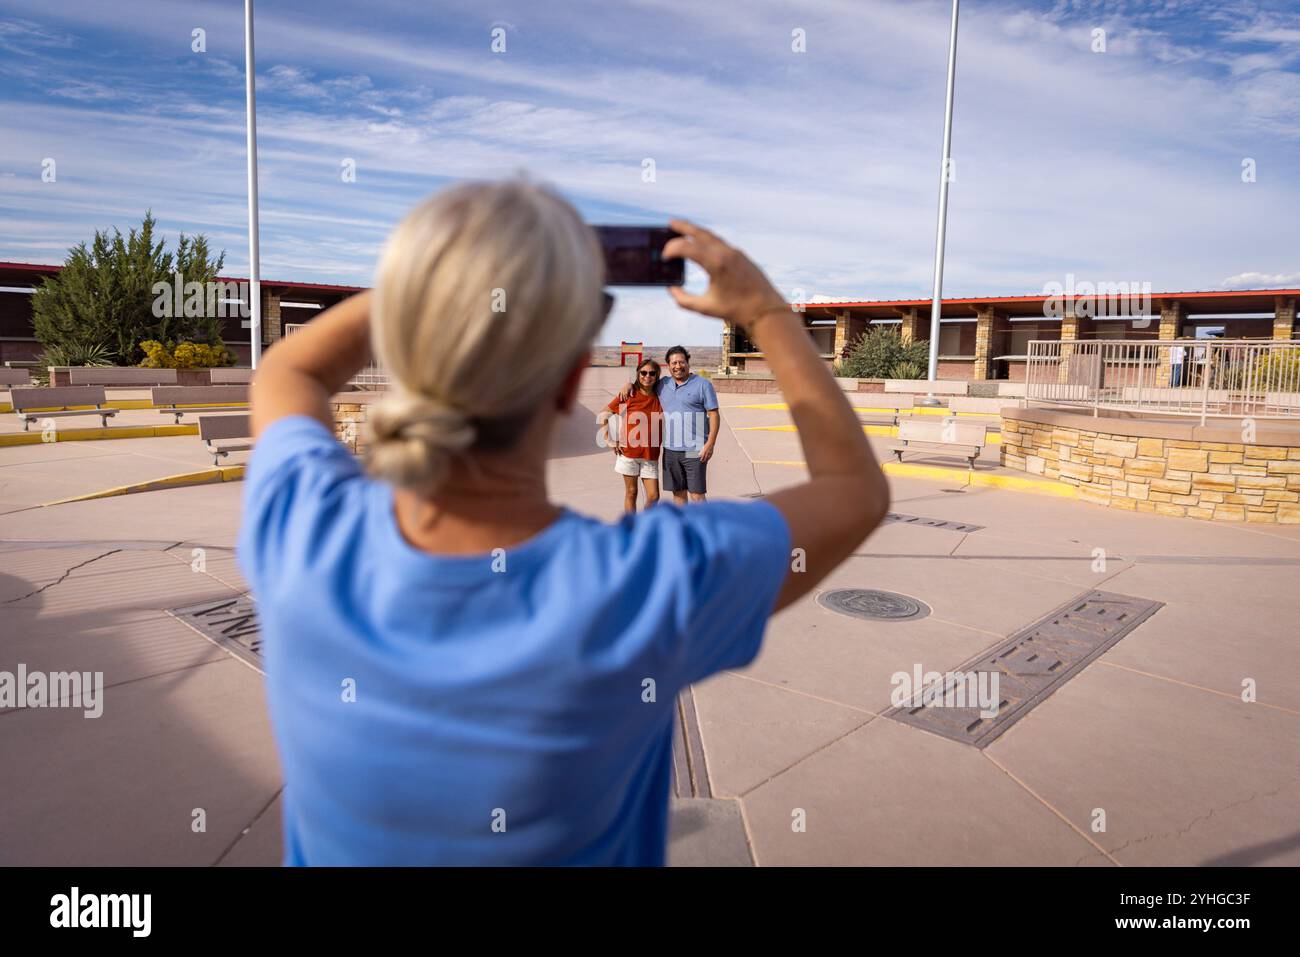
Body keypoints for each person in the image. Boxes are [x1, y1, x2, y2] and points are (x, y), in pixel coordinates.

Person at [237, 177, 889, 866]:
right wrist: (763, 309)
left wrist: (443, 281)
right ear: (575, 376)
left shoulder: (302, 528)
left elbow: (290, 370)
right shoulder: (646, 586)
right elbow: (855, 489)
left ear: (403, 342)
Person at [618, 345, 719, 503]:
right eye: (674, 363)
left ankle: (704, 527)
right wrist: (628, 384)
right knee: (678, 494)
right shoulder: (663, 385)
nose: (678, 366)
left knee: (697, 495)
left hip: (695, 450)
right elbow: (644, 382)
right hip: (670, 450)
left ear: (687, 363)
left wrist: (710, 443)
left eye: (681, 362)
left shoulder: (703, 385)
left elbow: (713, 414)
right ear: (668, 366)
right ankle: (682, 527)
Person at [598, 358, 663, 512]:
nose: (647, 376)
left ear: (657, 375)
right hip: (628, 454)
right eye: (643, 373)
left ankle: (644, 526)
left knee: (654, 496)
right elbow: (604, 414)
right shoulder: (629, 394)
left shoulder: (662, 394)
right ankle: (632, 529)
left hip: (650, 455)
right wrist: (610, 440)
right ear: (638, 374)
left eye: (652, 373)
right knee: (631, 492)